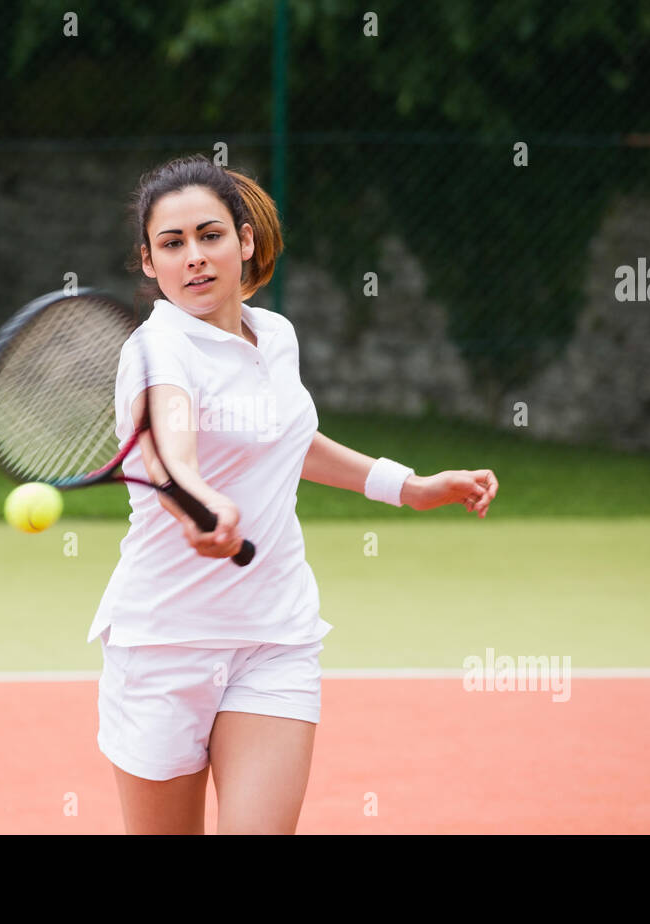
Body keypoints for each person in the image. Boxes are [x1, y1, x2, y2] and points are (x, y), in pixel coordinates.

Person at [88, 153, 498, 834]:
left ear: (244, 242)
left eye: (210, 235)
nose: (194, 257)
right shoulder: (157, 353)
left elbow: (287, 441)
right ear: (147, 263)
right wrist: (199, 503)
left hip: (274, 637)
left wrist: (409, 488)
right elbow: (168, 458)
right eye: (172, 243)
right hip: (164, 646)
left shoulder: (274, 335)